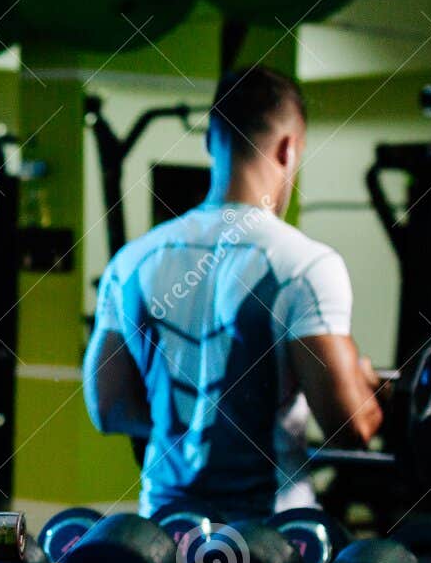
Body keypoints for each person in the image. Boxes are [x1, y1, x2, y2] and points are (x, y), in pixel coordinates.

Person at [83, 65, 383, 520]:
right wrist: (360, 385)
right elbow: (351, 427)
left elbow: (108, 408)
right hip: (269, 547)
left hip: (162, 538)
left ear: (210, 143)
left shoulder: (134, 261)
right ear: (289, 149)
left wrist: (187, 421)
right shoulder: (305, 266)